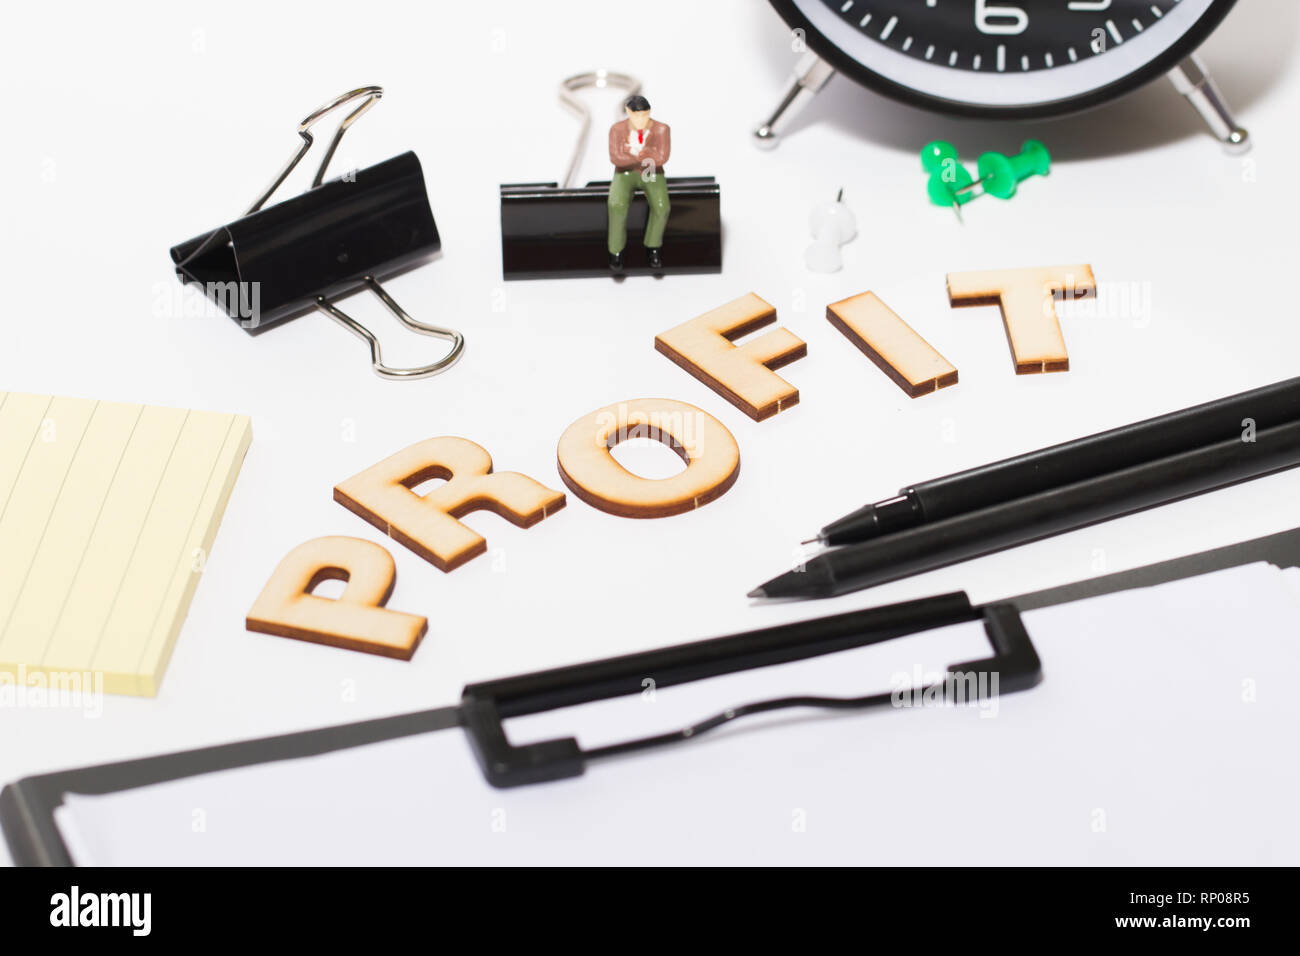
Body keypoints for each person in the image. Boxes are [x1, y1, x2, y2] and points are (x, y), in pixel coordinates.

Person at [607, 95, 670, 272]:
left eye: (645, 115)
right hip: (625, 173)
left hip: (650, 171)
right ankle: (615, 251)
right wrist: (642, 156)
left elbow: (662, 156)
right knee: (616, 204)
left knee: (661, 206)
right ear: (628, 112)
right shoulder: (617, 130)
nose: (641, 120)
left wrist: (635, 156)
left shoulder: (661, 129)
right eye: (637, 116)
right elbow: (616, 157)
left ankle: (653, 246)